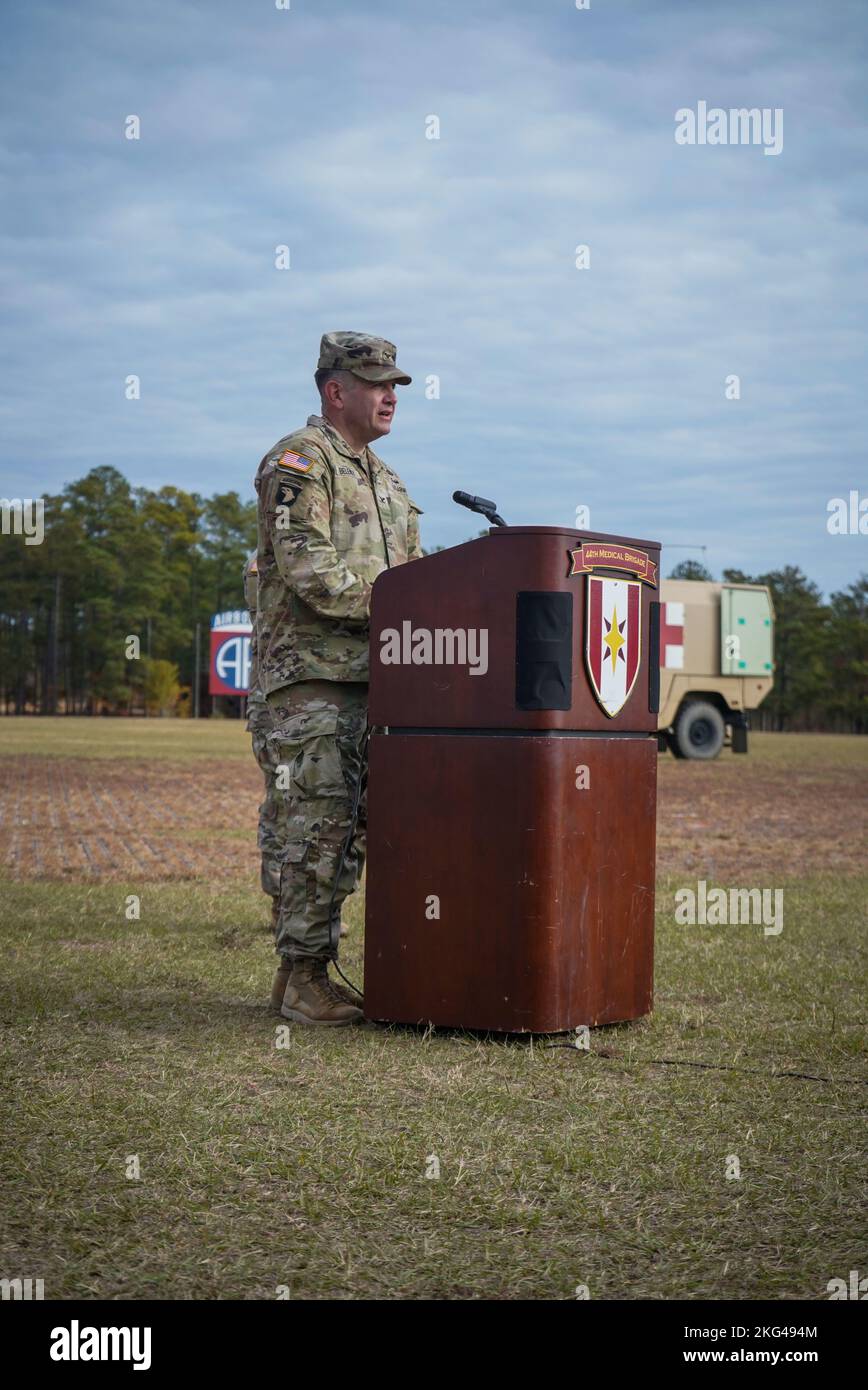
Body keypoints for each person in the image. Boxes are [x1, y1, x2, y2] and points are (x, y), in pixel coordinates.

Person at [255, 332, 424, 1026]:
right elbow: (308, 570)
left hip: (377, 681)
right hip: (311, 682)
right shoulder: (299, 461)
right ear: (335, 390)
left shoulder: (387, 481)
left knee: (358, 831)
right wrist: (400, 605)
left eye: (395, 385)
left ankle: (356, 972)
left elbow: (420, 575)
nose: (390, 395)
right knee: (314, 826)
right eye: (377, 383)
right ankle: (301, 978)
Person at [242, 548, 284, 932]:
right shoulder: (263, 561)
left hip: (309, 702)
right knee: (283, 804)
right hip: (272, 703)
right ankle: (282, 903)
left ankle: (312, 906)